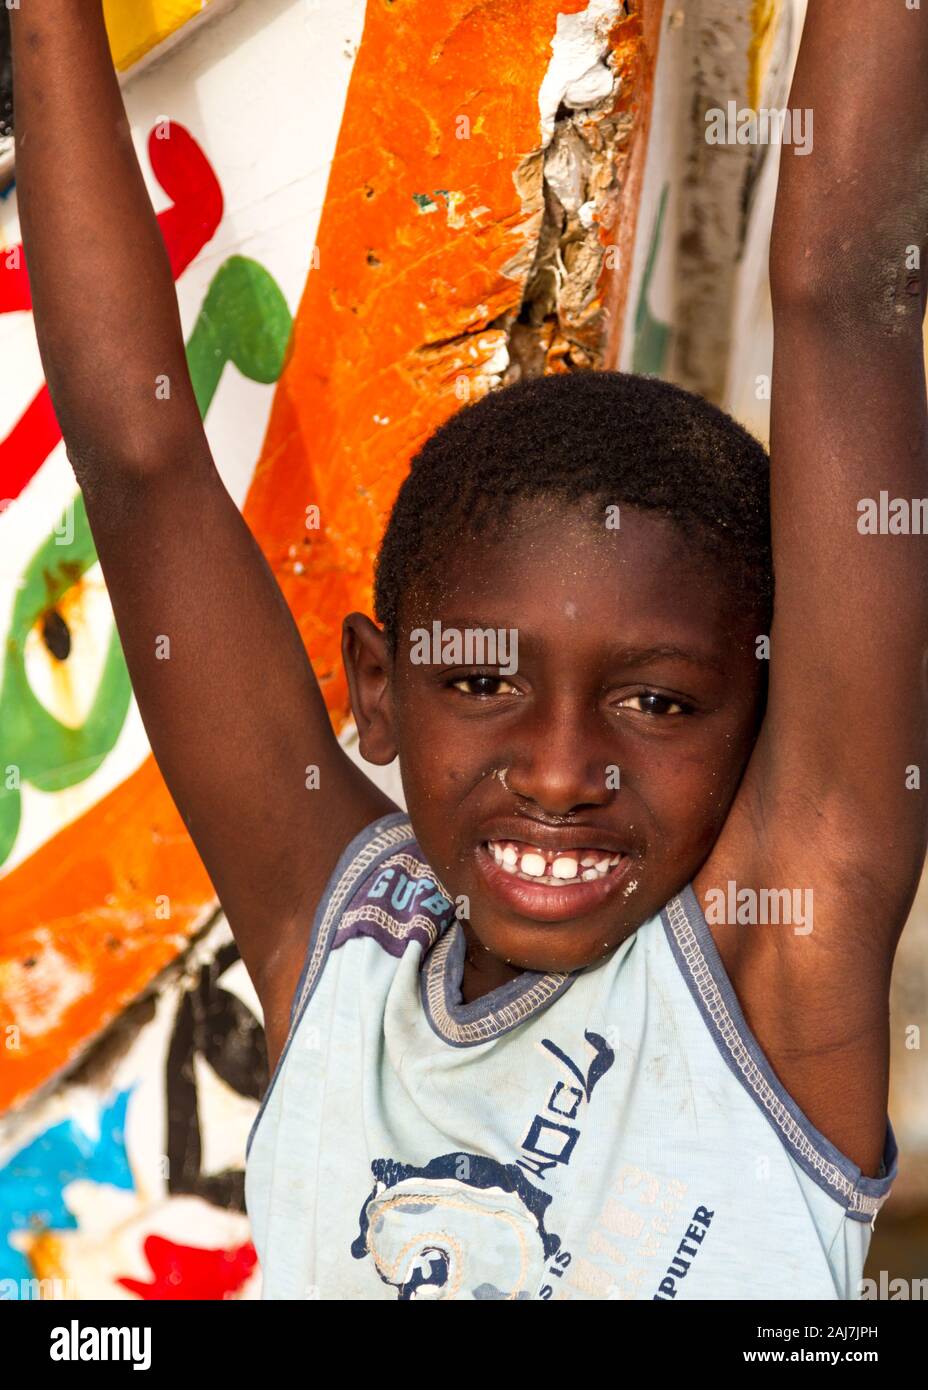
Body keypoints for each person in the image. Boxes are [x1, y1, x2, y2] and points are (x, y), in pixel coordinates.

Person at [11, 0, 928, 1301]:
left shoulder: (771, 967)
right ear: (378, 692)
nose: (559, 770)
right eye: (485, 681)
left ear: (769, 706)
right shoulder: (347, 965)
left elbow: (846, 298)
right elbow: (142, 461)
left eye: (657, 700)